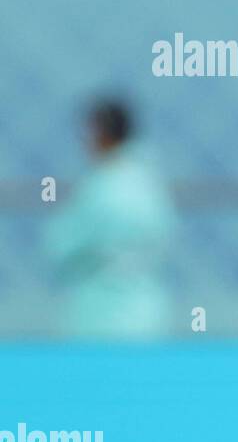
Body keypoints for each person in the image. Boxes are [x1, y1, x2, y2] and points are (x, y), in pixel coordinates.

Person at [45, 99, 176, 337]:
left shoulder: (101, 186)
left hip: (99, 315)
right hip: (147, 313)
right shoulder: (149, 182)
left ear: (101, 133)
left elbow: (62, 245)